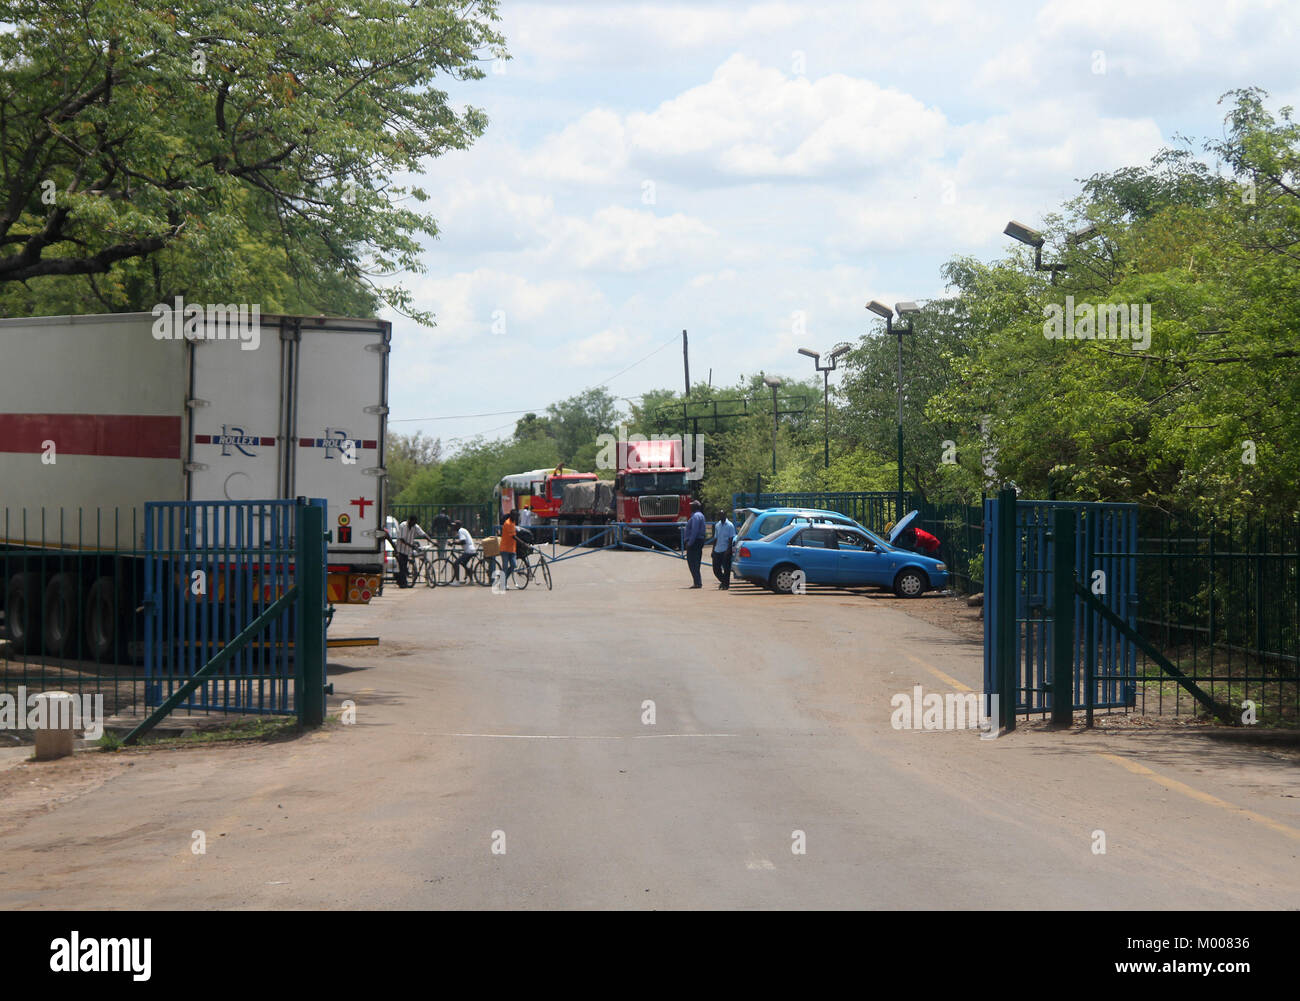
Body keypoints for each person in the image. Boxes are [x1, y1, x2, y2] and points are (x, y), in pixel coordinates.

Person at [390, 514, 429, 588]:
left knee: (404, 567)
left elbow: (423, 534)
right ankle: (403, 583)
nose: (413, 525)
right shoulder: (403, 525)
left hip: (407, 550)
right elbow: (401, 539)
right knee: (402, 566)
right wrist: (411, 545)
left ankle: (401, 582)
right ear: (409, 521)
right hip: (400, 550)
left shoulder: (415, 526)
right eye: (413, 523)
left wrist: (431, 541)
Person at [683, 500, 706, 588]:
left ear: (695, 507)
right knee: (695, 562)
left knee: (693, 562)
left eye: (692, 506)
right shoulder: (699, 515)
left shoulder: (696, 516)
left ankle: (697, 582)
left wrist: (690, 543)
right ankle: (697, 581)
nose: (690, 507)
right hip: (697, 541)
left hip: (695, 541)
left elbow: (694, 531)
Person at [711, 509, 736, 589]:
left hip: (725, 550)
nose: (720, 516)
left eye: (722, 515)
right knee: (716, 569)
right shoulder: (717, 525)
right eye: (719, 515)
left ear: (725, 515)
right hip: (717, 549)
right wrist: (713, 550)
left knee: (726, 569)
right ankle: (724, 581)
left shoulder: (730, 525)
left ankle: (726, 585)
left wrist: (728, 550)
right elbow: (715, 538)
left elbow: (731, 538)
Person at [450, 519, 478, 585]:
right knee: (463, 564)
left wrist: (453, 542)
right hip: (471, 550)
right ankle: (471, 581)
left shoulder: (460, 531)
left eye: (454, 526)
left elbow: (463, 541)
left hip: (469, 551)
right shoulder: (463, 530)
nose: (453, 527)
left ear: (458, 526)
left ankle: (457, 581)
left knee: (455, 564)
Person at [498, 509, 519, 590]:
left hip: (512, 548)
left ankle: (503, 580)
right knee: (505, 567)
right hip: (505, 549)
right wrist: (523, 543)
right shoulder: (507, 523)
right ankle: (504, 583)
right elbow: (513, 536)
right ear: (511, 516)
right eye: (515, 516)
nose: (516, 517)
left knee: (513, 565)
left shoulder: (513, 522)